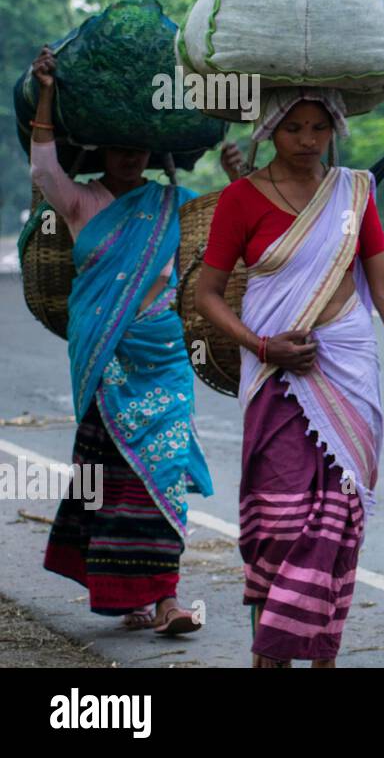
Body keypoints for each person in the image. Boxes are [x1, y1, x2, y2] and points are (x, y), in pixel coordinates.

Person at [195, 87, 384, 668]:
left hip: (348, 371)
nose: (307, 141)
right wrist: (263, 346)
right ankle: (274, 652)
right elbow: (208, 293)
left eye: (318, 127)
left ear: (334, 128)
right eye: (293, 128)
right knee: (282, 523)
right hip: (273, 376)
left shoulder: (355, 192)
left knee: (338, 521)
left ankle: (320, 655)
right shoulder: (240, 200)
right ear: (270, 133)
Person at [28, 45, 240, 635]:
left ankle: (169, 597)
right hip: (107, 362)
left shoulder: (174, 203)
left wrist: (238, 175)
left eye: (140, 148)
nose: (131, 157)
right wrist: (47, 90)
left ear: (153, 151)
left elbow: (234, 224)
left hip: (165, 359)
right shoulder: (81, 201)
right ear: (102, 149)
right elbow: (43, 169)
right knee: (117, 482)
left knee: (165, 470)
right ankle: (131, 599)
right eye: (120, 147)